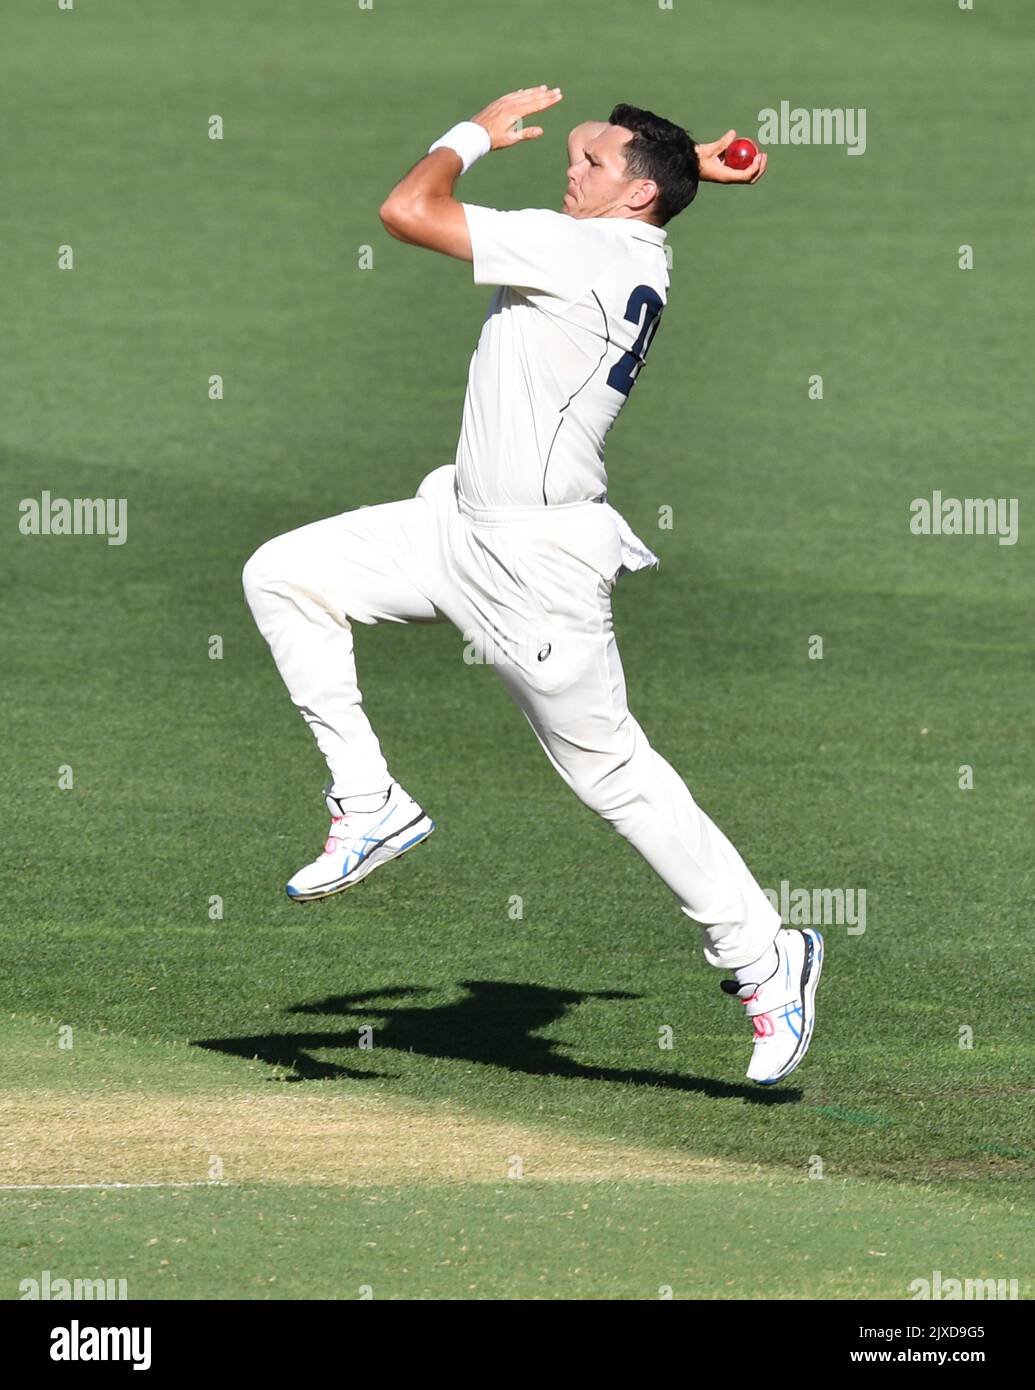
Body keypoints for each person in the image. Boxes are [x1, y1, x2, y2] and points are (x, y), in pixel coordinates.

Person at [242, 87, 822, 1085]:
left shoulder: (586, 251)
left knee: (614, 774)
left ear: (635, 194)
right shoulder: (619, 242)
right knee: (284, 574)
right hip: (451, 522)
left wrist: (470, 133)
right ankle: (369, 800)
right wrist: (692, 173)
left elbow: (408, 212)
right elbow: (624, 213)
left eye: (591, 163)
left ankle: (767, 957)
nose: (569, 166)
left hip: (534, 567)